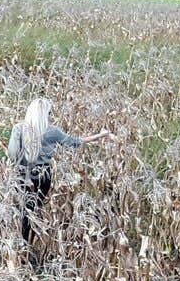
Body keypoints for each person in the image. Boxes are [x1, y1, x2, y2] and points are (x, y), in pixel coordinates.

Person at [7, 98, 111, 246]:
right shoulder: (52, 131)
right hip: (43, 176)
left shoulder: (18, 129)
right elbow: (75, 142)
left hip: (22, 176)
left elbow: (12, 154)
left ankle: (22, 245)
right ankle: (30, 244)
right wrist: (99, 136)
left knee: (23, 210)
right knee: (34, 210)